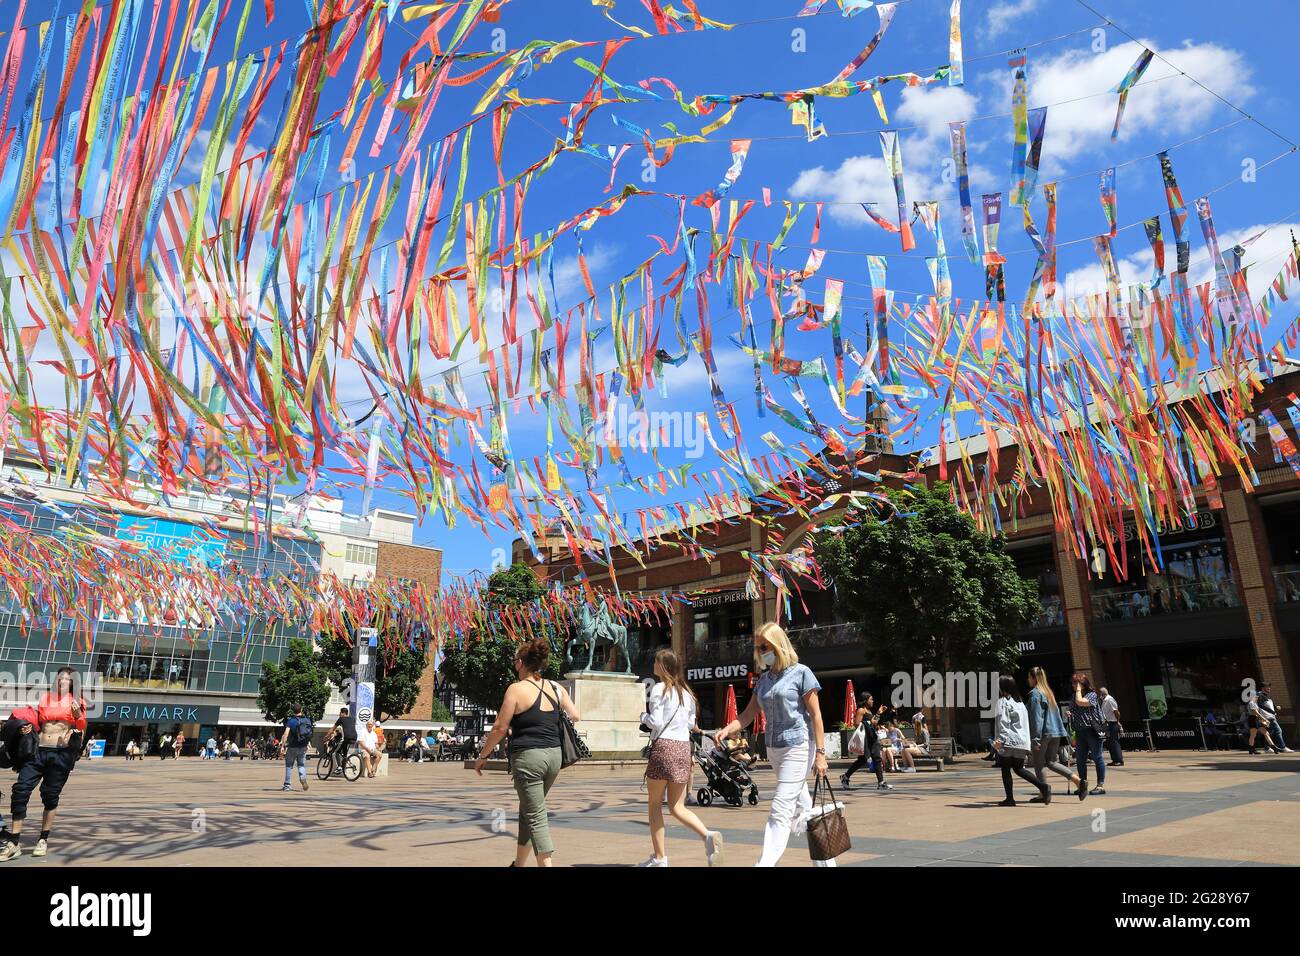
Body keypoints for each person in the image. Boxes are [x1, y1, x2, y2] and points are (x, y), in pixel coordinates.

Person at [714, 622, 836, 867]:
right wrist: (728, 729)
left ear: (778, 645)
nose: (760, 652)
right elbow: (748, 714)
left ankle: (763, 865)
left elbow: (817, 716)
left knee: (780, 810)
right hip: (774, 749)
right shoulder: (764, 680)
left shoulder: (801, 672)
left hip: (798, 746)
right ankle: (827, 864)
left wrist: (821, 754)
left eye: (764, 646)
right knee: (804, 807)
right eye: (758, 648)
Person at [473, 638, 580, 867]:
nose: (514, 666)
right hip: (554, 756)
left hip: (529, 758)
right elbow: (575, 715)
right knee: (528, 810)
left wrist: (483, 756)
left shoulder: (516, 689)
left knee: (536, 815)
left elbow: (500, 727)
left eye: (515, 662)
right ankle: (518, 864)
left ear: (521, 662)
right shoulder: (555, 687)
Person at [638, 648, 725, 867]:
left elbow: (656, 722)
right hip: (683, 748)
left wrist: (643, 717)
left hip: (664, 747)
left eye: (657, 661)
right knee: (677, 807)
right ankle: (707, 835)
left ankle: (660, 859)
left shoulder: (659, 689)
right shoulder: (687, 694)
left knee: (654, 805)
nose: (654, 664)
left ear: (663, 667)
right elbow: (690, 725)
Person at [0, 667, 87, 862]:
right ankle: (14, 842)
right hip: (38, 750)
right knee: (21, 789)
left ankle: (43, 839)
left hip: (61, 753)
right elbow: (39, 723)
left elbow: (81, 728)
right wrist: (28, 727)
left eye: (66, 679)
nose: (62, 681)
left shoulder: (77, 701)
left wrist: (77, 716)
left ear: (72, 683)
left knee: (50, 795)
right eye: (59, 678)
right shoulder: (45, 698)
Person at [1026, 666, 1086, 801]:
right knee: (1052, 762)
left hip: (1044, 733)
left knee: (1039, 763)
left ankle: (1043, 792)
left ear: (1034, 678)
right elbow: (1056, 714)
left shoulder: (1035, 694)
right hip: (1056, 732)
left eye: (1029, 677)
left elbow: (1037, 717)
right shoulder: (1048, 693)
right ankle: (1078, 781)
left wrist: (1035, 738)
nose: (1028, 679)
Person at [992, 676, 1052, 806]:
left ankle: (1010, 799)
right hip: (1022, 741)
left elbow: (1004, 723)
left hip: (1008, 740)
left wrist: (1000, 740)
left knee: (1006, 768)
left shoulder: (1003, 702)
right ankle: (1043, 786)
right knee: (1019, 769)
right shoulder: (1019, 702)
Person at [840, 692, 891, 791]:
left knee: (877, 759)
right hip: (866, 739)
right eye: (871, 699)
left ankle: (881, 783)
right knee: (862, 760)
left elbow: (874, 723)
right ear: (865, 700)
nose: (872, 701)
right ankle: (845, 777)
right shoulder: (861, 710)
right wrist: (870, 722)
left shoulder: (869, 711)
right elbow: (856, 724)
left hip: (873, 738)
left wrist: (879, 713)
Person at [1070, 673, 1107, 795]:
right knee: (1080, 759)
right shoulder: (1074, 696)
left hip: (1092, 730)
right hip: (1080, 731)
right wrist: (1069, 714)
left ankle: (1100, 785)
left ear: (1083, 684)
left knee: (1097, 756)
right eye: (1073, 683)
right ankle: (1083, 784)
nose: (1073, 685)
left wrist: (1079, 690)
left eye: (1076, 683)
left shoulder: (1092, 695)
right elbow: (1074, 707)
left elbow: (1081, 702)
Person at [280, 704, 313, 792]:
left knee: (289, 766)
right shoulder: (307, 720)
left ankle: (287, 785)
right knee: (301, 765)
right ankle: (302, 778)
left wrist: (283, 745)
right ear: (301, 710)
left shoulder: (291, 721)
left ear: (293, 711)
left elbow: (286, 734)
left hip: (292, 746)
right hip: (303, 746)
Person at [1256, 682, 1292, 752]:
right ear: (1263, 688)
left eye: (1269, 687)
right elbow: (1260, 705)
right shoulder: (1260, 695)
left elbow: (1269, 704)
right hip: (1267, 717)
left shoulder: (1266, 695)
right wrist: (1271, 711)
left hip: (1270, 717)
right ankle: (1283, 747)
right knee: (1278, 730)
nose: (1269, 688)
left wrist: (1275, 707)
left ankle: (1267, 748)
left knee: (1269, 733)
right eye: (1267, 687)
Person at [324, 706, 358, 771]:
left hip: (347, 737)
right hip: (355, 737)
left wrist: (327, 736)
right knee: (344, 752)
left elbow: (333, 728)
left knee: (337, 752)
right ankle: (343, 766)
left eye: (340, 713)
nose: (339, 714)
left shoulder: (341, 719)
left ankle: (339, 767)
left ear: (342, 713)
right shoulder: (353, 719)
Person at [1098, 686, 1124, 766]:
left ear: (1102, 694)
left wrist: (1117, 721)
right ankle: (1114, 759)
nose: (1099, 695)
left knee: (1114, 742)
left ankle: (1119, 760)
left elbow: (1116, 712)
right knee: (1110, 742)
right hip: (1107, 723)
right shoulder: (1104, 701)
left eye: (1100, 693)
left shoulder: (1109, 700)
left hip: (1112, 723)